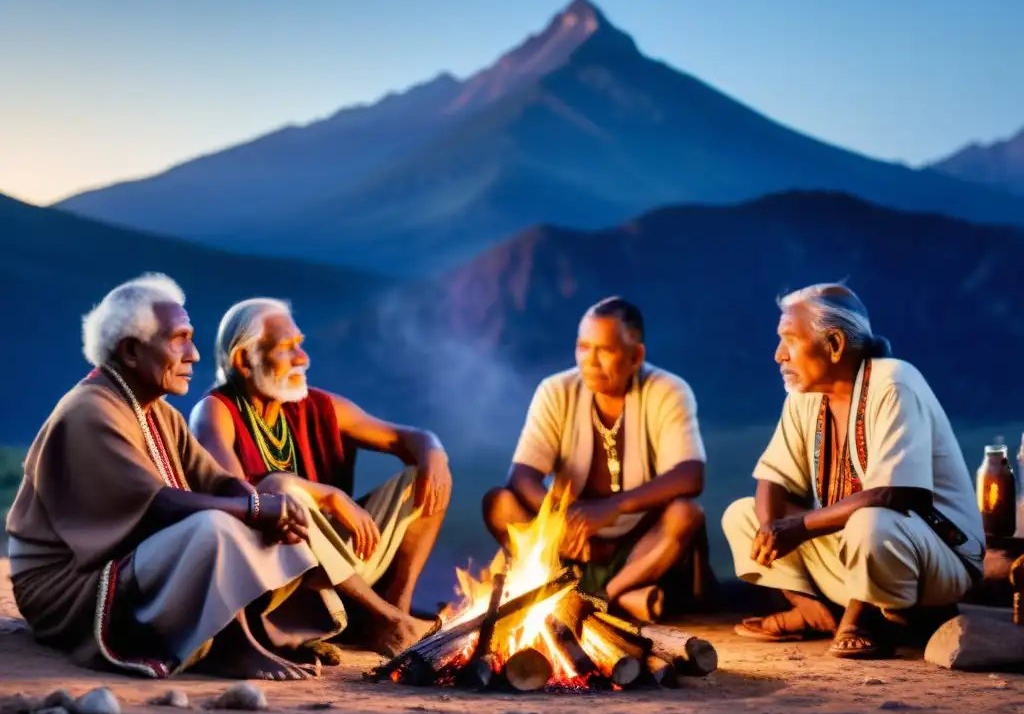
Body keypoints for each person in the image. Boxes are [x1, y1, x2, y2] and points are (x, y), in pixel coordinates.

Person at [5, 274, 344, 681]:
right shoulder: (90, 410)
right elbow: (158, 504)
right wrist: (254, 507)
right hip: (69, 587)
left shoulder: (158, 412)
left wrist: (266, 506)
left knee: (278, 510)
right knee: (216, 525)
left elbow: (216, 481)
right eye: (179, 339)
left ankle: (249, 634)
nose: (195, 355)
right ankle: (230, 648)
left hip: (123, 563)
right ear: (131, 350)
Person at [722, 282, 985, 659]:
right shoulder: (803, 397)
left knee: (870, 522)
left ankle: (864, 618)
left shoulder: (894, 382)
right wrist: (770, 529)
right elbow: (773, 477)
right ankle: (817, 613)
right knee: (743, 515)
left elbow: (895, 493)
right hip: (857, 552)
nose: (779, 355)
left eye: (789, 340)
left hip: (936, 557)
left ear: (834, 344)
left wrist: (796, 527)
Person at [189, 298, 451, 657]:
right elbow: (238, 495)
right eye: (286, 348)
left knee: (424, 477)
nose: (302, 358)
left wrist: (434, 453)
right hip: (278, 577)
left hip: (341, 568)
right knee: (279, 491)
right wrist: (328, 496)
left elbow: (411, 438)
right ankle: (387, 618)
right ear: (243, 360)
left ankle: (394, 612)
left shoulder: (319, 406)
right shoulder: (214, 411)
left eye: (300, 344)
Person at [482, 297, 714, 622]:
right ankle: (611, 598)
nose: (590, 361)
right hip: (569, 547)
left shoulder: (668, 390)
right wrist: (562, 517)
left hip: (637, 547)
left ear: (636, 356)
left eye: (604, 350)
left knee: (686, 514)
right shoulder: (556, 390)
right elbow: (522, 477)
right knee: (499, 504)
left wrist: (614, 507)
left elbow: (691, 475)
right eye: (583, 347)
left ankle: (606, 598)